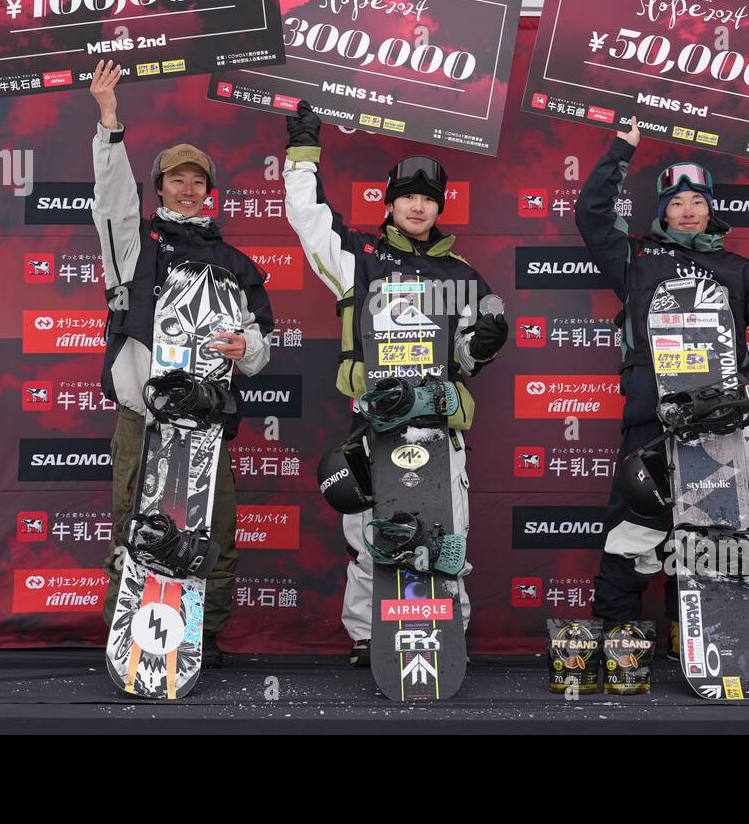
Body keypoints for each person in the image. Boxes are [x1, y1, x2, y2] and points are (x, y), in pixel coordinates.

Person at [575, 119, 749, 655]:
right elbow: (592, 216)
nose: (687, 210)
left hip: (719, 425)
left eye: (696, 200)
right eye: (676, 203)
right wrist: (622, 149)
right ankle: (616, 636)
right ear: (662, 211)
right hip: (652, 417)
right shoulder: (637, 259)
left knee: (713, 536)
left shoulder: (739, 270)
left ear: (711, 208)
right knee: (637, 529)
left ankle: (694, 636)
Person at [281, 100, 508, 665]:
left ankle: (448, 631)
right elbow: (308, 218)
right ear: (390, 201)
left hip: (439, 430)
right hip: (375, 427)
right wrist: (303, 151)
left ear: (438, 208)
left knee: (447, 538)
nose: (417, 205)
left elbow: (479, 337)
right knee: (371, 539)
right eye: (407, 195)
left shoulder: (463, 276)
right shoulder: (359, 258)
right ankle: (367, 635)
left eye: (428, 198)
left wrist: (485, 339)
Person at [89, 60, 274, 668]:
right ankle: (129, 632)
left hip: (207, 426)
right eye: (176, 180)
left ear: (209, 190)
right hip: (145, 419)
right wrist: (109, 123)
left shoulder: (236, 264)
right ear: (160, 186)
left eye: (198, 181)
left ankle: (202, 635)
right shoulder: (135, 246)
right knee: (133, 529)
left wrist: (244, 349)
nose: (187, 189)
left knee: (214, 535)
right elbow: (112, 201)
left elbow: (260, 351)